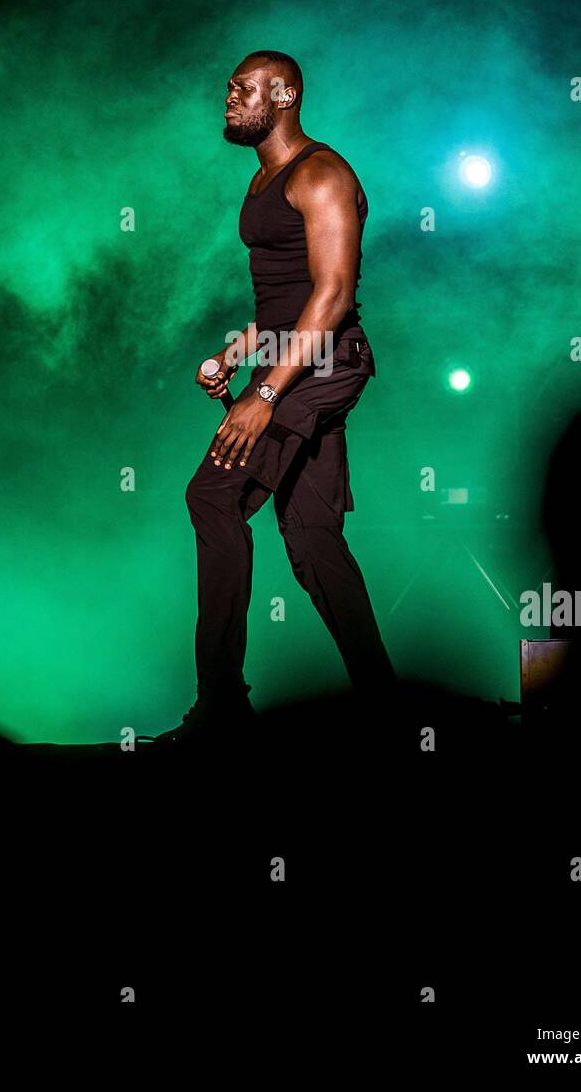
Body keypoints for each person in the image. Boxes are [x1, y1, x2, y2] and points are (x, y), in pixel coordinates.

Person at [142, 50, 397, 747]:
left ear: (285, 95)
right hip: (295, 359)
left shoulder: (322, 174)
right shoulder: (264, 181)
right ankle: (388, 710)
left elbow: (334, 295)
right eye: (226, 90)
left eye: (243, 90)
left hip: (322, 365)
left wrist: (263, 393)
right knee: (312, 538)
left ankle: (222, 707)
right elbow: (285, 302)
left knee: (212, 497)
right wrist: (233, 354)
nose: (228, 100)